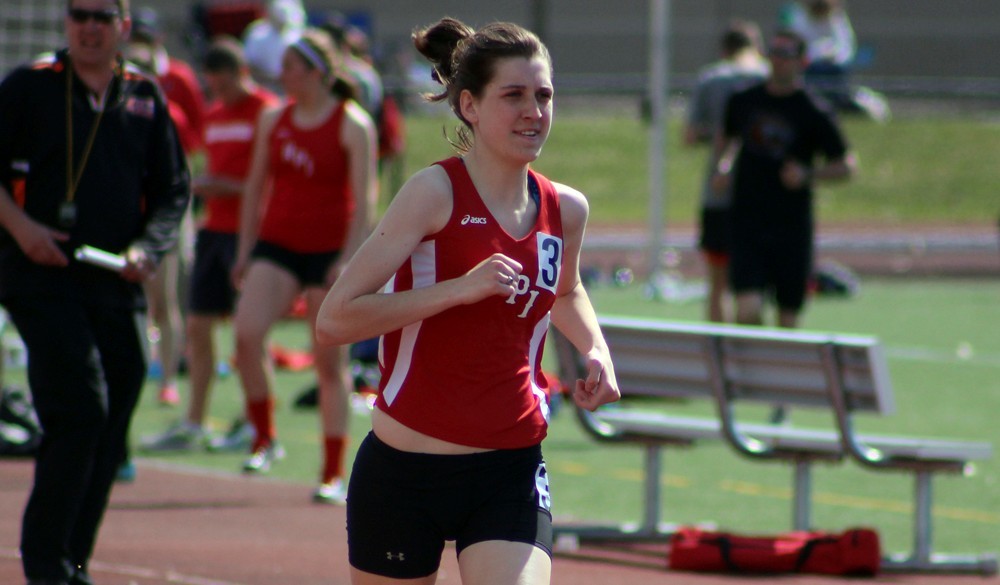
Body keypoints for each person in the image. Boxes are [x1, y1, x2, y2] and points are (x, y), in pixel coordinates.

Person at [315, 17, 621, 584]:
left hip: (511, 469)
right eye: (514, 96)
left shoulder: (565, 210)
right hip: (404, 472)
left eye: (544, 95)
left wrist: (595, 349)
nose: (534, 110)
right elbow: (334, 319)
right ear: (470, 107)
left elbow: (567, 289)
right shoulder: (433, 194)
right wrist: (459, 289)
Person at [0, 0, 191, 582]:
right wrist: (22, 228)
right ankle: (46, 563)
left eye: (101, 17)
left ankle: (73, 558)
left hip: (115, 279)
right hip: (40, 274)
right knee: (81, 408)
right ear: (67, 23)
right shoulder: (29, 86)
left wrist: (148, 250)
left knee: (118, 408)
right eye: (79, 14)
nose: (89, 26)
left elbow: (172, 192)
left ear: (123, 28)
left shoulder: (145, 96)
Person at [232, 29, 377, 503]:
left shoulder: (352, 123)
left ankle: (332, 471)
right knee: (247, 333)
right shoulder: (275, 119)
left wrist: (348, 260)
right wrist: (244, 249)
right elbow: (255, 187)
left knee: (327, 362)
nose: (283, 74)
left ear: (316, 72)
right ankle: (263, 437)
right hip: (277, 244)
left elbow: (365, 201)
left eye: (292, 67)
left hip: (327, 252)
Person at [139, 37, 279, 453]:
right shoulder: (215, 114)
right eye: (211, 86)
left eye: (222, 85)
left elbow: (268, 181)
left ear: (241, 74)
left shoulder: (266, 111)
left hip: (251, 232)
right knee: (198, 326)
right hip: (214, 229)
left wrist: (226, 187)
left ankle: (253, 425)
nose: (216, 95)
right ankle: (194, 422)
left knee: (250, 334)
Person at [713, 29, 856, 331]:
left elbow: (846, 165)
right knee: (748, 308)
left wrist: (808, 175)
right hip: (748, 218)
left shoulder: (814, 110)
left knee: (788, 319)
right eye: (774, 53)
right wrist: (722, 167)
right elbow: (727, 140)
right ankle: (752, 375)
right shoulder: (743, 100)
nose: (778, 61)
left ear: (802, 61)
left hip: (791, 225)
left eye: (786, 54)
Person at [683, 20, 768, 323]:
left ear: (725, 49)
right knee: (755, 284)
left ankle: (717, 357)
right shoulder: (770, 77)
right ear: (756, 45)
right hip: (764, 193)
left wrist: (719, 134)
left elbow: (690, 135)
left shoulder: (712, 79)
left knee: (717, 283)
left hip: (719, 191)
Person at [242, 0, 306, 91]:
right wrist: (273, 79)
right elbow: (250, 66)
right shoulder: (257, 35)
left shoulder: (297, 36)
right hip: (266, 88)